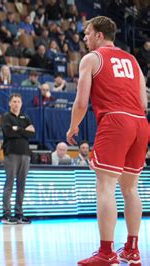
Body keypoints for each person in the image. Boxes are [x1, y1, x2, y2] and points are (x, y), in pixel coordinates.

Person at [67, 16, 148, 265]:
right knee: (131, 188)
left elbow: (81, 102)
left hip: (115, 121)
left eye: (87, 33)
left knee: (105, 187)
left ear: (99, 35)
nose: (84, 37)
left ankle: (106, 253)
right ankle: (132, 250)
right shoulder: (133, 60)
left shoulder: (92, 58)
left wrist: (73, 127)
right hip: (140, 123)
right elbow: (144, 103)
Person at [1, 93, 35, 225]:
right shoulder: (6, 117)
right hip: (11, 153)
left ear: (21, 104)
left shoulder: (25, 117)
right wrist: (23, 131)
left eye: (18, 101)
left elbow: (32, 133)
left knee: (22, 185)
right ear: (10, 103)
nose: (16, 104)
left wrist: (17, 129)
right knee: (9, 184)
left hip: (25, 154)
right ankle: (6, 214)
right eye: (14, 101)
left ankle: (19, 213)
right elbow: (8, 132)